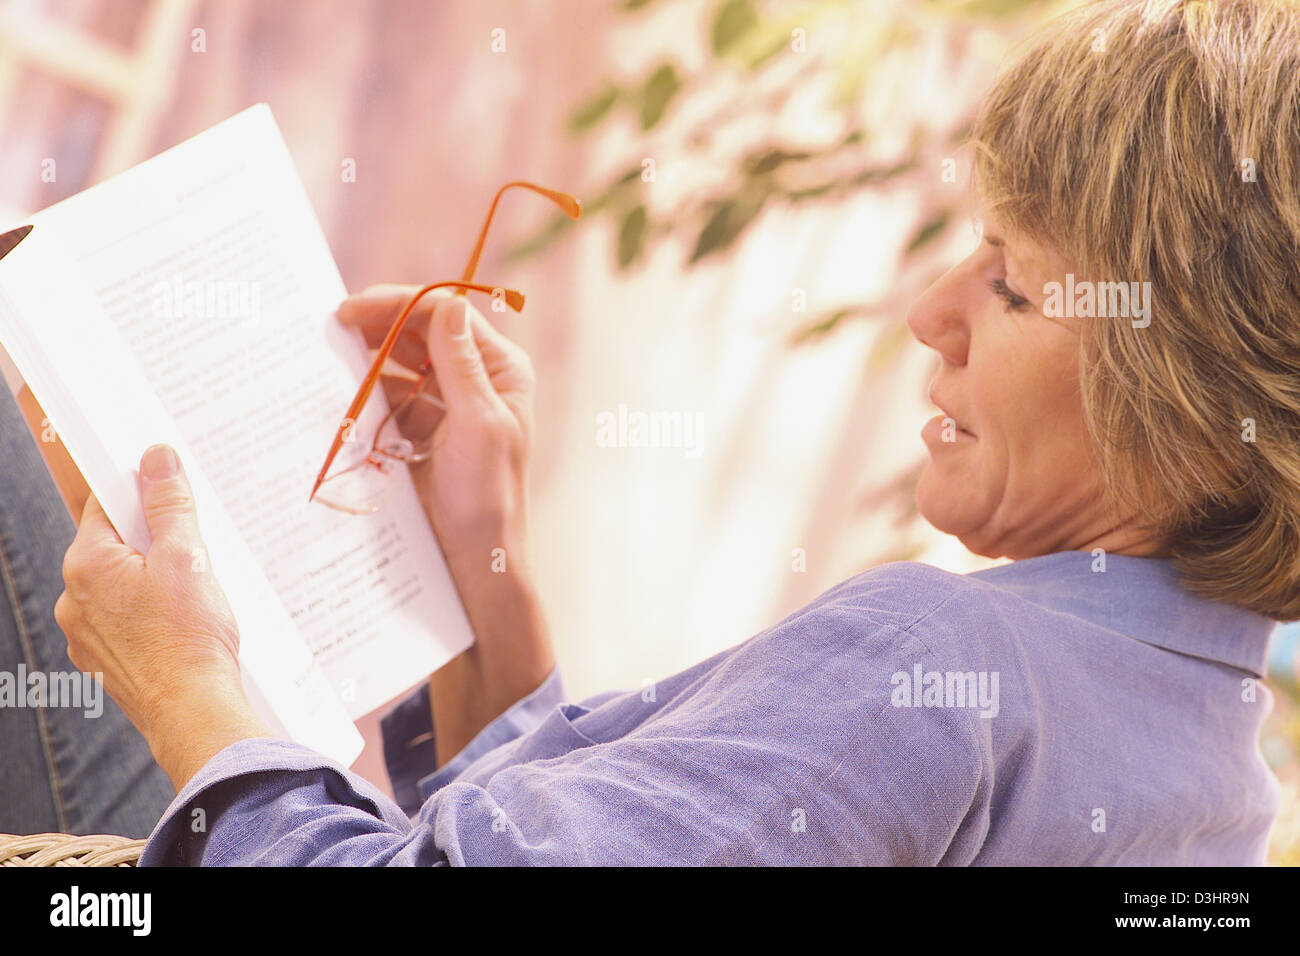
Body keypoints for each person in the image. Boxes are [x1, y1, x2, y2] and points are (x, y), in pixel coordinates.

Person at [3, 0, 1295, 864]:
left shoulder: (939, 667)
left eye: (1011, 285)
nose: (930, 312)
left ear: (1200, 393)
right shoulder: (1218, 765)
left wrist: (185, 682)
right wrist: (483, 554)